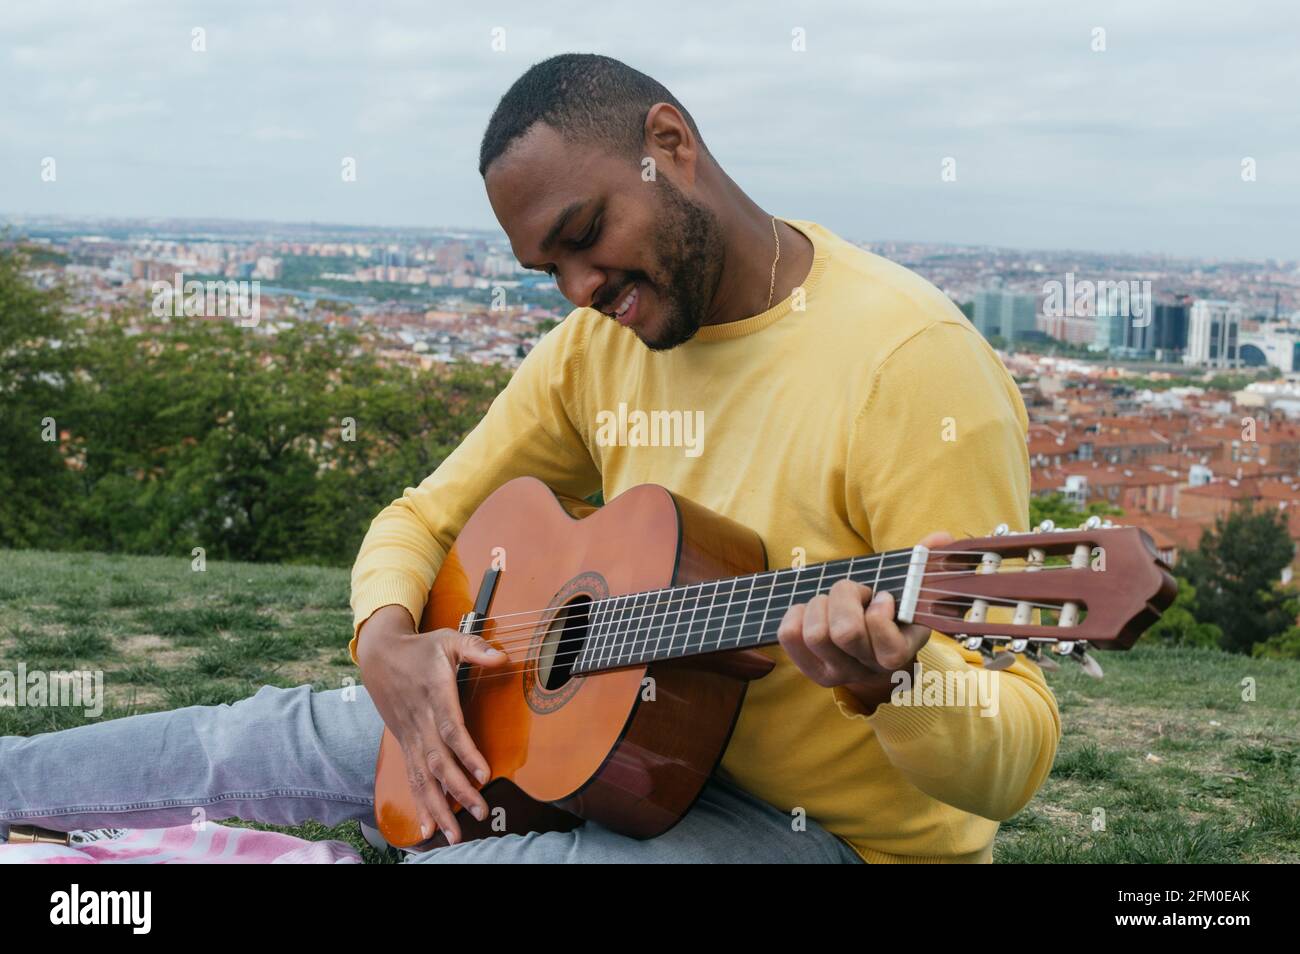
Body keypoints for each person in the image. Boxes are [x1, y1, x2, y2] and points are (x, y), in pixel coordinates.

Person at [1, 53, 1059, 864]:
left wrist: (898, 683)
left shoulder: (910, 367)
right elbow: (419, 518)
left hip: (824, 838)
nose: (580, 288)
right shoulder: (600, 346)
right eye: (546, 266)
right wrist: (386, 647)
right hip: (585, 741)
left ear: (670, 141)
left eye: (587, 232)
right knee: (251, 741)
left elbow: (1010, 754)